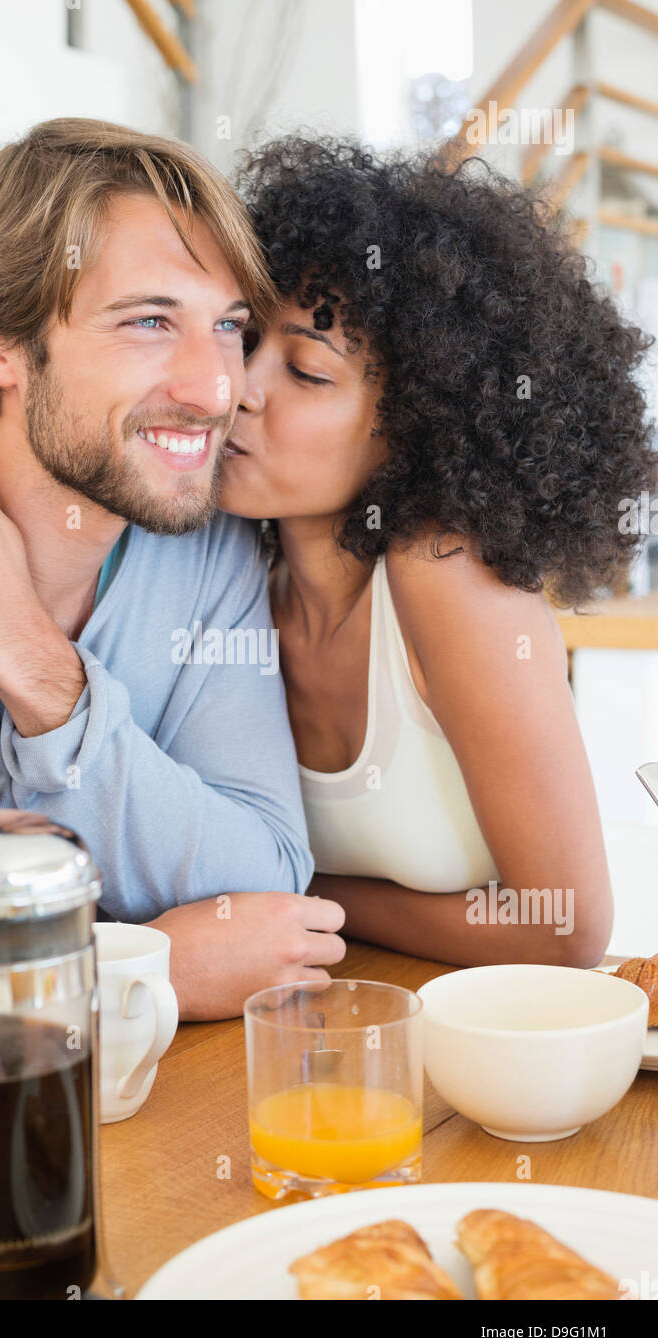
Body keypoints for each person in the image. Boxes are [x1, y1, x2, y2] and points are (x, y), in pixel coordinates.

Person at [0, 118, 346, 1106]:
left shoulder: (203, 546)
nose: (214, 386)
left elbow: (265, 886)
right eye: (146, 321)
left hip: (136, 1154)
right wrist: (133, 978)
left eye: (226, 323)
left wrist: (35, 664)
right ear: (0, 344)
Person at [213, 135, 658, 968]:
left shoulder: (441, 577)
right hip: (324, 1030)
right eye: (241, 342)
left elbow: (561, 928)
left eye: (306, 373)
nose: (238, 388)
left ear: (414, 425)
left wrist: (303, 896)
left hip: (500, 1051)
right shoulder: (221, 579)